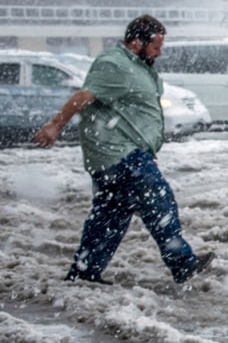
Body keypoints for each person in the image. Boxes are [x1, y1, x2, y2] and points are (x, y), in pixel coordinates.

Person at [32, 15, 214, 286]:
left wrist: (147, 150)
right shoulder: (115, 65)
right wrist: (54, 126)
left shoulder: (137, 66)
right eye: (156, 46)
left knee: (110, 216)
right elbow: (82, 97)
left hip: (120, 155)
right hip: (119, 154)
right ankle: (183, 263)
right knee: (159, 202)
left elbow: (133, 112)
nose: (160, 52)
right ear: (136, 42)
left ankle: (84, 273)